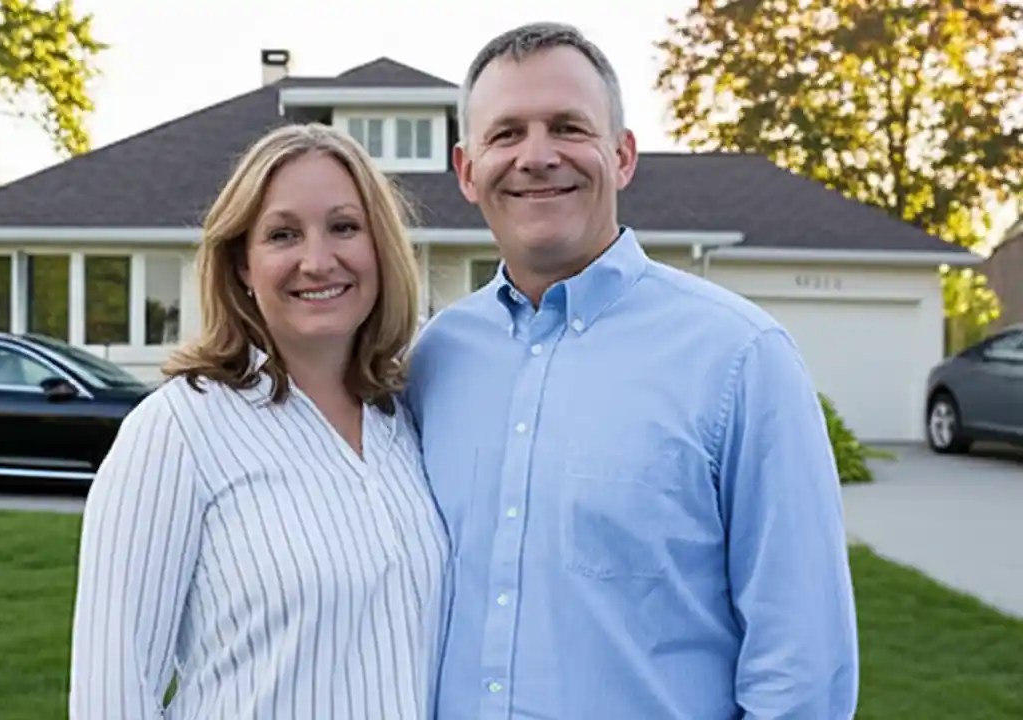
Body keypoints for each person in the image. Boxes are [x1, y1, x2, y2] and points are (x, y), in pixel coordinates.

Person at [404, 22, 859, 719]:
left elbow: (804, 667)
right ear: (467, 170)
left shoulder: (739, 359)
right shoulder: (435, 361)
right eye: (506, 134)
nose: (537, 156)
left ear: (621, 156)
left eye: (567, 127)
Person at [69, 123, 450, 719]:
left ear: (381, 247)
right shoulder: (177, 431)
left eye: (345, 227)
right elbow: (111, 695)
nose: (317, 261)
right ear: (242, 264)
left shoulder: (405, 419)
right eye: (282, 234)